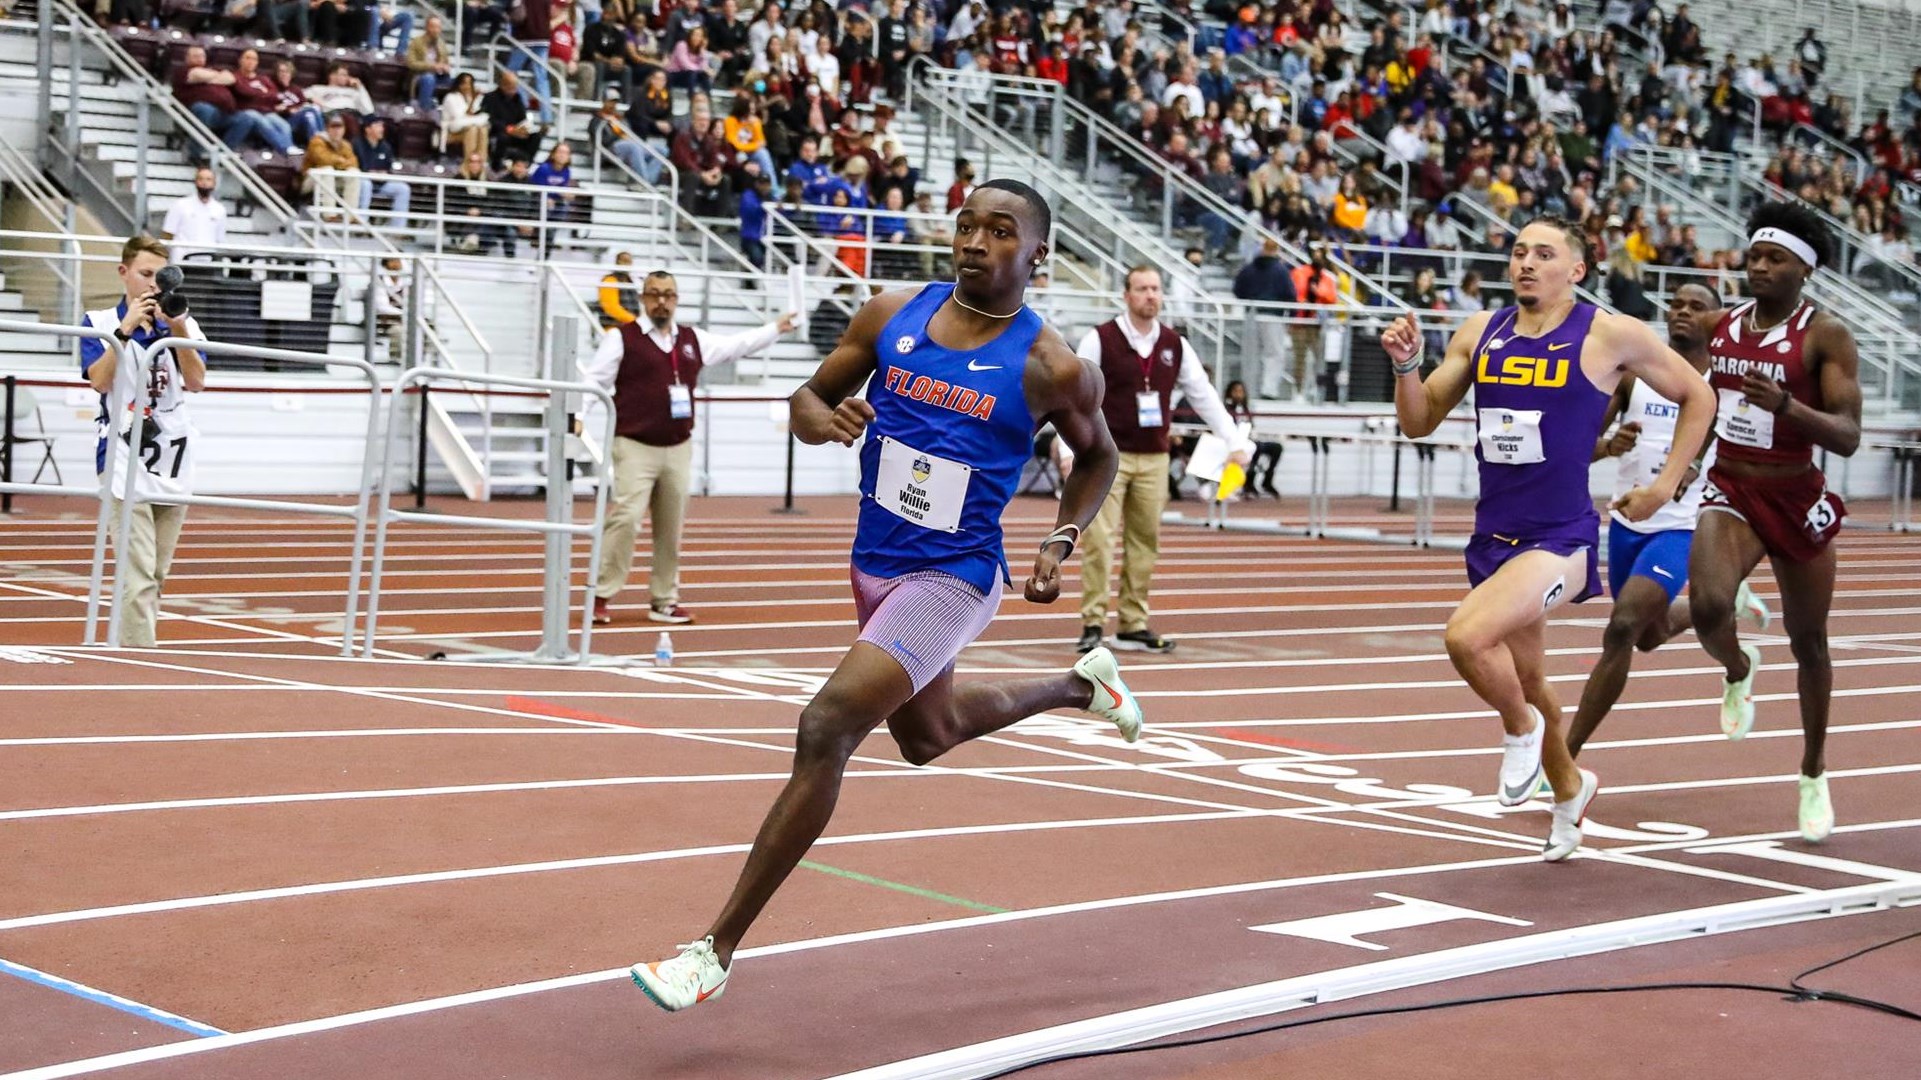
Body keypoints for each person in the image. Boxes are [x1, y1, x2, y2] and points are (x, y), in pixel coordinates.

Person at [629, 180, 1140, 1012]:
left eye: (999, 231)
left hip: (956, 575)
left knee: (825, 725)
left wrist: (1059, 540)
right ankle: (1081, 686)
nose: (974, 242)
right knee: (926, 738)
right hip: (874, 564)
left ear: (1037, 256)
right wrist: (819, 420)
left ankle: (712, 952)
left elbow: (1099, 457)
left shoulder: (1051, 367)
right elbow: (807, 398)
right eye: (965, 226)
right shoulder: (890, 315)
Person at [1379, 215, 1716, 862]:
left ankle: (1519, 730)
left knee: (1465, 637)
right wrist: (1406, 367)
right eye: (1517, 253)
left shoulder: (1608, 334)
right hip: (1493, 536)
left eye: (1543, 254)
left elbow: (1697, 396)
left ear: (1576, 270)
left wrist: (1664, 485)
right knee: (1530, 678)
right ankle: (1568, 788)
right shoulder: (1482, 331)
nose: (1526, 263)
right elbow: (1419, 421)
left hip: (1560, 538)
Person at [1690, 202, 1862, 843]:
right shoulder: (1721, 326)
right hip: (1732, 487)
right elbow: (1701, 402)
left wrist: (1788, 406)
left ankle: (1813, 770)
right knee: (1707, 606)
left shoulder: (1826, 336)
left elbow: (1848, 435)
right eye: (1754, 256)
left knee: (1808, 642)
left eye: (1775, 259)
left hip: (1794, 495)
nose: (1758, 267)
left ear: (1804, 270)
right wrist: (1684, 464)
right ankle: (1738, 668)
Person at [1566, 283, 1770, 756]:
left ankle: (1561, 759)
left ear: (1717, 318)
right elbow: (1578, 447)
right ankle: (1728, 610)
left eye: (1696, 307)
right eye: (1676, 304)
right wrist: (1609, 446)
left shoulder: (1727, 385)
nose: (1682, 312)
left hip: (1684, 526)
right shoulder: (1634, 376)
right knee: (1648, 636)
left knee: (1622, 626)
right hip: (1628, 523)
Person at [582, 272, 798, 626]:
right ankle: (601, 594)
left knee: (671, 527)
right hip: (634, 445)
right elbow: (594, 380)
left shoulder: (691, 339)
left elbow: (736, 346)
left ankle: (664, 600)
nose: (661, 301)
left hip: (678, 446)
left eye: (668, 295)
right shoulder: (622, 339)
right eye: (654, 294)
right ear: (643, 298)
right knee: (626, 518)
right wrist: (577, 415)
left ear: (677, 299)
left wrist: (775, 328)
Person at [1072, 265, 1253, 655]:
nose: (1150, 295)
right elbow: (1076, 398)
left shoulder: (1175, 344)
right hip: (1107, 457)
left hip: (1154, 456)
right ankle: (1093, 622)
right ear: (1126, 295)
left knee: (1145, 542)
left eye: (1155, 289)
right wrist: (1070, 451)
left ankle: (1133, 624)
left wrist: (1234, 440)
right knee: (1099, 540)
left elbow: (1203, 394)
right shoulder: (1099, 339)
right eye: (1142, 289)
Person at [79, 236, 208, 649]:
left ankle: (129, 648)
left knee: (156, 574)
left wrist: (178, 327)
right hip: (122, 454)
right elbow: (99, 381)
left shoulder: (183, 322)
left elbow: (196, 381)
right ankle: (141, 659)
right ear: (124, 273)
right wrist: (125, 330)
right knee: (136, 576)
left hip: (172, 456)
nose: (153, 284)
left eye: (161, 276)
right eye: (145, 274)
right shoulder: (98, 321)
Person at [1224, 379, 1282, 498]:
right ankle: (1248, 482)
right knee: (1255, 448)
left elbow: (1251, 427)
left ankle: (1267, 480)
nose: (1238, 394)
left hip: (1250, 440)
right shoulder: (1226, 410)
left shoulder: (1246, 410)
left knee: (1276, 448)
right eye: (1235, 391)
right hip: (1235, 443)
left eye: (1241, 391)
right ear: (1229, 393)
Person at [351, 115, 412, 226]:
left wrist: (382, 174)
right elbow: (356, 166)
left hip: (380, 182)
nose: (382, 129)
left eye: (382, 126)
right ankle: (362, 222)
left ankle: (398, 228)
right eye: (378, 126)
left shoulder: (386, 147)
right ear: (368, 129)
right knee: (366, 184)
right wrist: (370, 173)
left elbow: (387, 168)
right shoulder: (356, 144)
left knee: (403, 189)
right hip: (361, 182)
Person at [160, 167, 226, 259]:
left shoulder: (220, 210)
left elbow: (220, 239)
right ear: (195, 182)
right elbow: (168, 234)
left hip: (208, 260)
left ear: (214, 183)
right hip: (181, 259)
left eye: (208, 179)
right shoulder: (180, 205)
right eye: (201, 179)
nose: (204, 183)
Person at [598, 250, 639, 328]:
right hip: (613, 326)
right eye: (624, 261)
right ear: (617, 262)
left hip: (630, 326)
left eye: (629, 262)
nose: (627, 264)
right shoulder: (609, 280)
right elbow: (611, 308)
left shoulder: (630, 281)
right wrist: (633, 320)